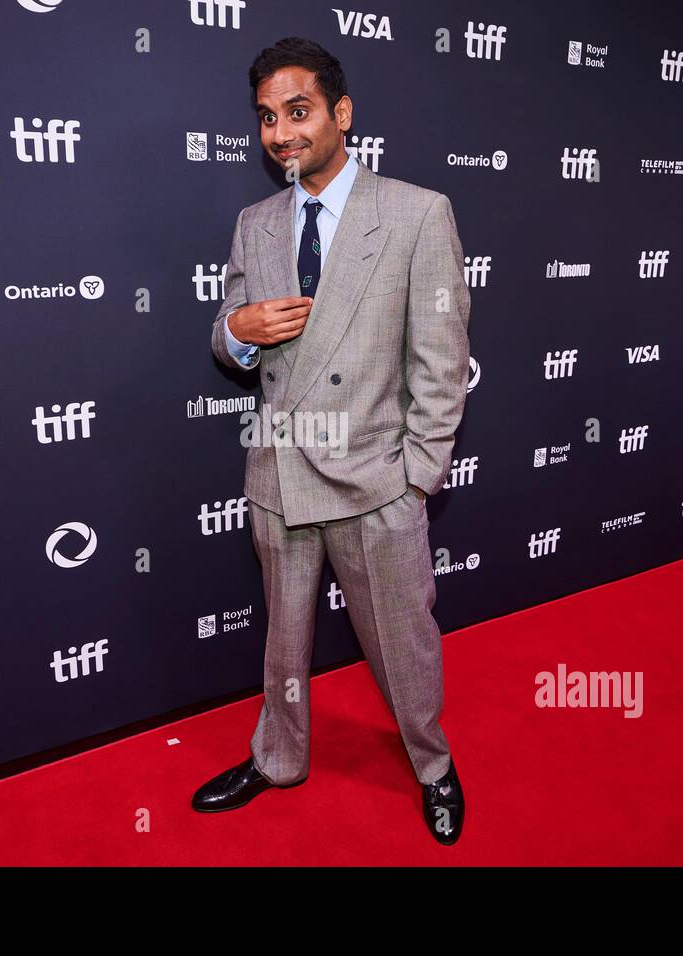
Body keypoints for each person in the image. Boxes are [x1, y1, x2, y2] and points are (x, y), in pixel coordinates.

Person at [194, 37, 471, 845]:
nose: (282, 133)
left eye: (299, 111)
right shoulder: (256, 223)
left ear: (341, 114)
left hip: (373, 480)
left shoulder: (419, 212)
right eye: (267, 118)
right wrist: (237, 333)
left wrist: (415, 478)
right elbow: (229, 333)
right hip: (280, 474)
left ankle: (432, 764)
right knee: (283, 644)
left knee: (402, 644)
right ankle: (278, 757)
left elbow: (442, 362)